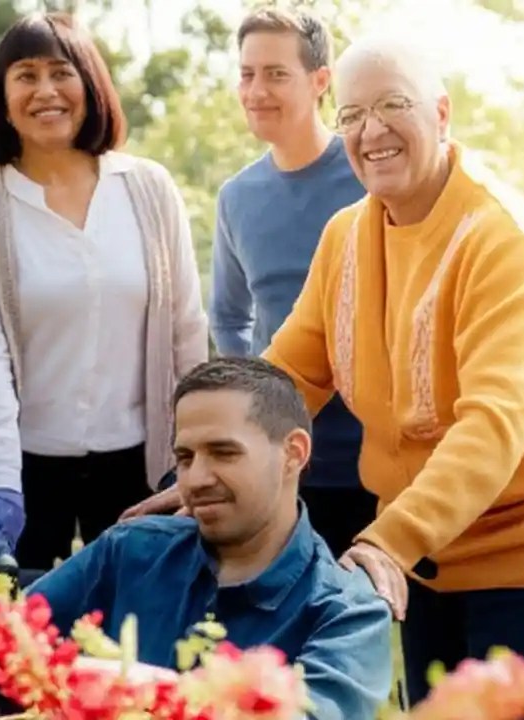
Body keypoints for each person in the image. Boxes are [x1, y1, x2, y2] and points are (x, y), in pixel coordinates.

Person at [128, 36, 524, 718]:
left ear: (442, 114)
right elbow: (287, 373)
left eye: (394, 106)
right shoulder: (346, 234)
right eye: (352, 115)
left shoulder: (501, 237)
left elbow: (493, 425)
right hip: (424, 560)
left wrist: (385, 541)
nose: (371, 131)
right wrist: (204, 466)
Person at [0, 357, 394, 720]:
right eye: (185, 457)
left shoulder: (347, 615)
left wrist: (113, 687)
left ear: (294, 453)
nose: (197, 479)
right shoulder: (128, 552)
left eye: (224, 453)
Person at [0, 12, 209, 574]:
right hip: (27, 471)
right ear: (1, 97)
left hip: (143, 466)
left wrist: (191, 458)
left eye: (61, 72)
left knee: (147, 642)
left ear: (90, 85)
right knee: (26, 647)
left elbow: (187, 334)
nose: (45, 91)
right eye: (25, 76)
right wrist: (0, 486)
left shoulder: (149, 190)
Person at [125, 7, 374, 557]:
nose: (256, 90)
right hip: (280, 460)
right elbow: (230, 318)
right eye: (246, 73)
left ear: (320, 81)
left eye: (275, 74)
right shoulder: (237, 196)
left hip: (373, 461)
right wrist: (259, 394)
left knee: (364, 627)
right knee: (268, 633)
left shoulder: (367, 175)